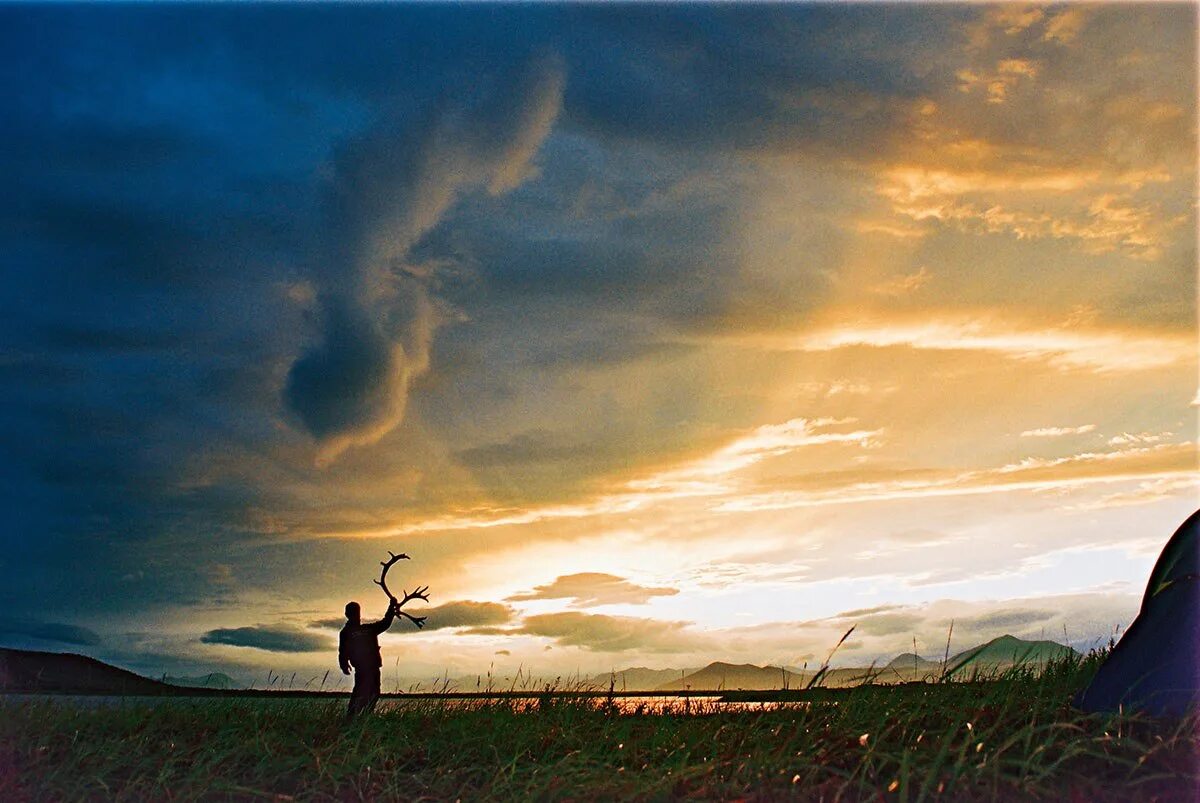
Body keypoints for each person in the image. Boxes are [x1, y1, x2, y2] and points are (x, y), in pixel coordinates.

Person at [339, 599, 398, 717]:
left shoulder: (368, 629)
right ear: (347, 615)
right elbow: (343, 650)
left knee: (374, 694)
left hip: (374, 668)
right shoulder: (346, 632)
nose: (357, 615)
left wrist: (391, 608)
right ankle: (351, 718)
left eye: (357, 612)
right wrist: (344, 664)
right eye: (354, 612)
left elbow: (385, 623)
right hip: (362, 669)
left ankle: (366, 717)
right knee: (360, 693)